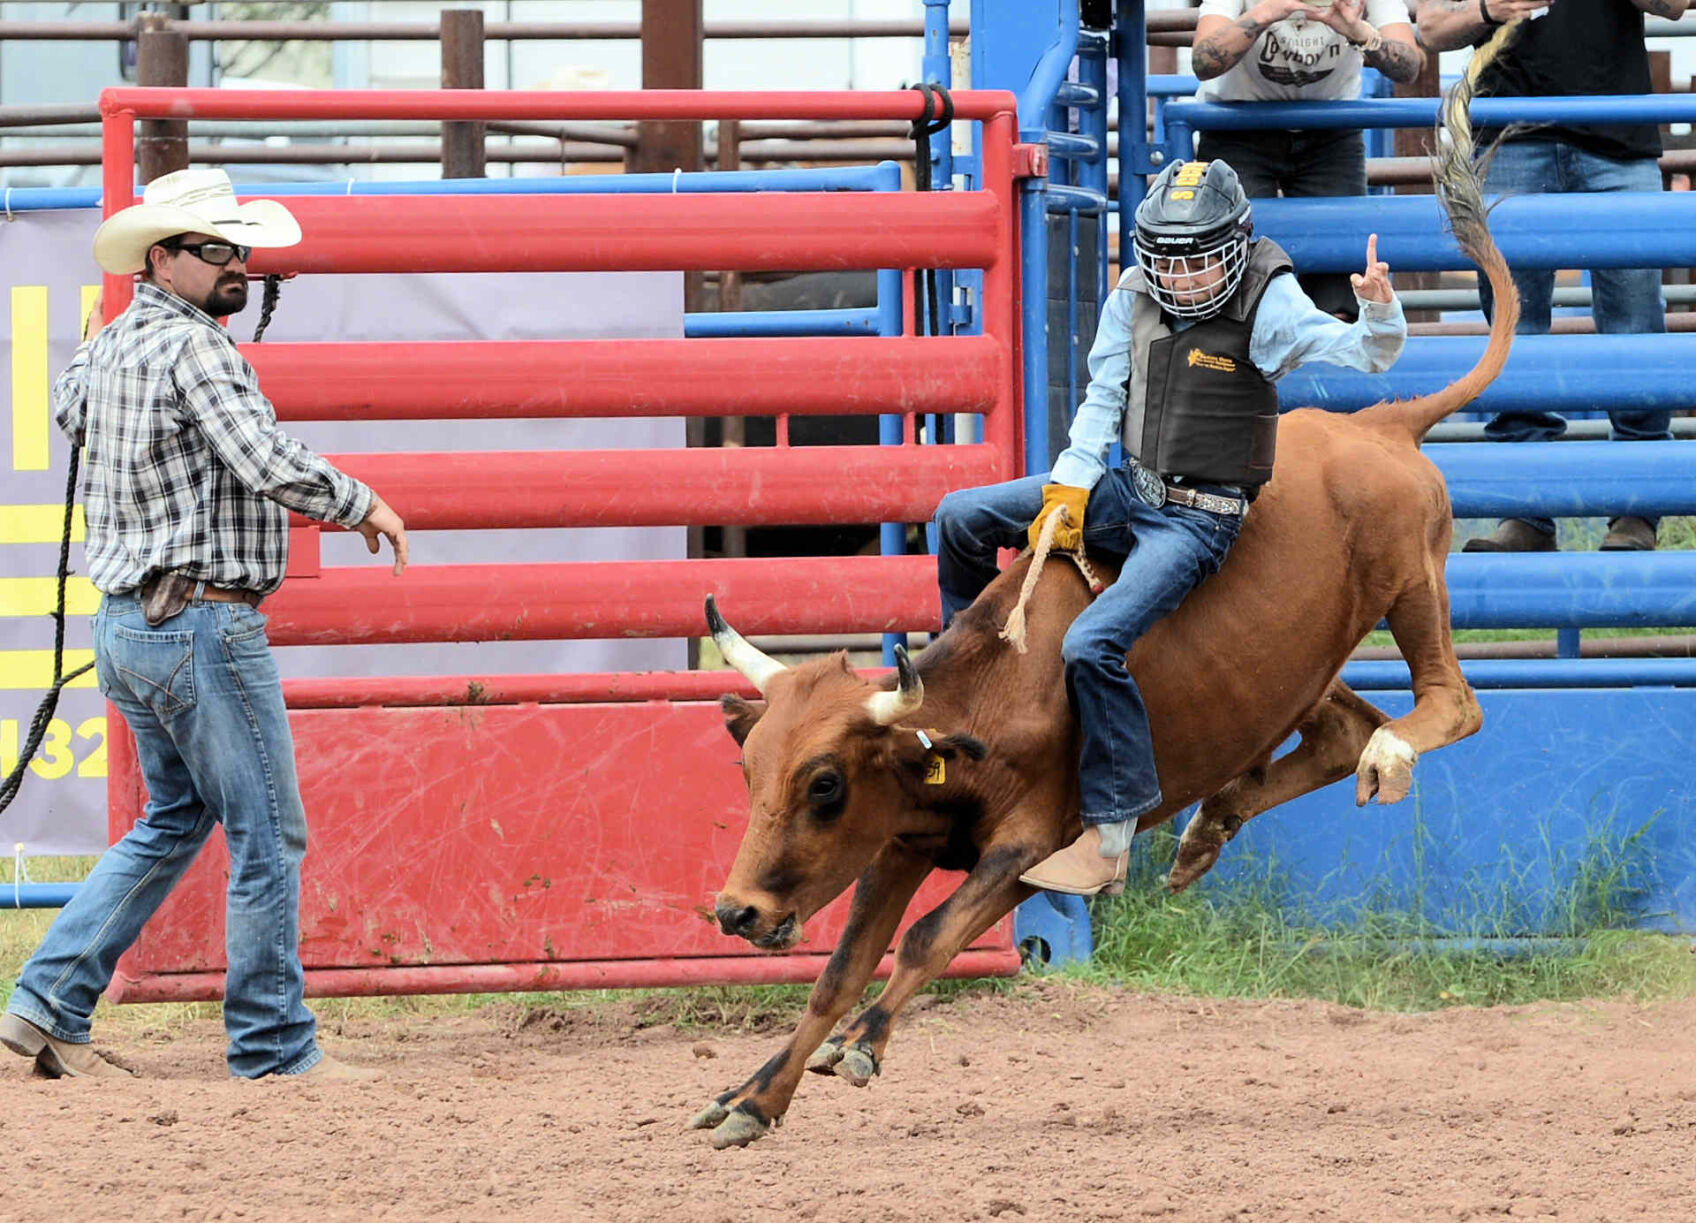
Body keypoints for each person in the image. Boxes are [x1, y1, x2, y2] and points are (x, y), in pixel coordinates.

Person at [0, 169, 408, 1080]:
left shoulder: (105, 349)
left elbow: (68, 409)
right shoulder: (200, 351)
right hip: (202, 621)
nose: (238, 265)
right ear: (164, 259)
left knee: (174, 817)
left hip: (130, 624)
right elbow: (264, 458)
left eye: (240, 251)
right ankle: (272, 1044)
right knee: (266, 831)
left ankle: (45, 1002)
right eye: (216, 250)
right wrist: (362, 501)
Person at [932, 159, 1406, 895]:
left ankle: (1111, 837)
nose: (1182, 278)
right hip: (1127, 487)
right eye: (1168, 260)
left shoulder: (1269, 300)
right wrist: (1070, 489)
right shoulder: (1132, 294)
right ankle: (962, 684)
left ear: (1236, 247)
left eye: (1199, 259)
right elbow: (1102, 398)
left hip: (1197, 520)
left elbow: (1368, 353)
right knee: (959, 517)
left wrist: (1379, 312)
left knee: (1093, 644)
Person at [1418, 0, 1685, 553]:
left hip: (1618, 136)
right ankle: (1527, 512)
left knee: (1637, 320)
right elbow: (1432, 26)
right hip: (1509, 140)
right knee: (1512, 327)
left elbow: (1674, 5)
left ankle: (1638, 509)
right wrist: (1493, 7)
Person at [1191, 0, 1423, 319]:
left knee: (1339, 273)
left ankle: (1329, 360)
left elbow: (1409, 66)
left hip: (1329, 128)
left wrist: (1358, 32)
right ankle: (1236, 354)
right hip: (1238, 123)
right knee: (1231, 264)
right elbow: (1203, 60)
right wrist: (1266, 12)